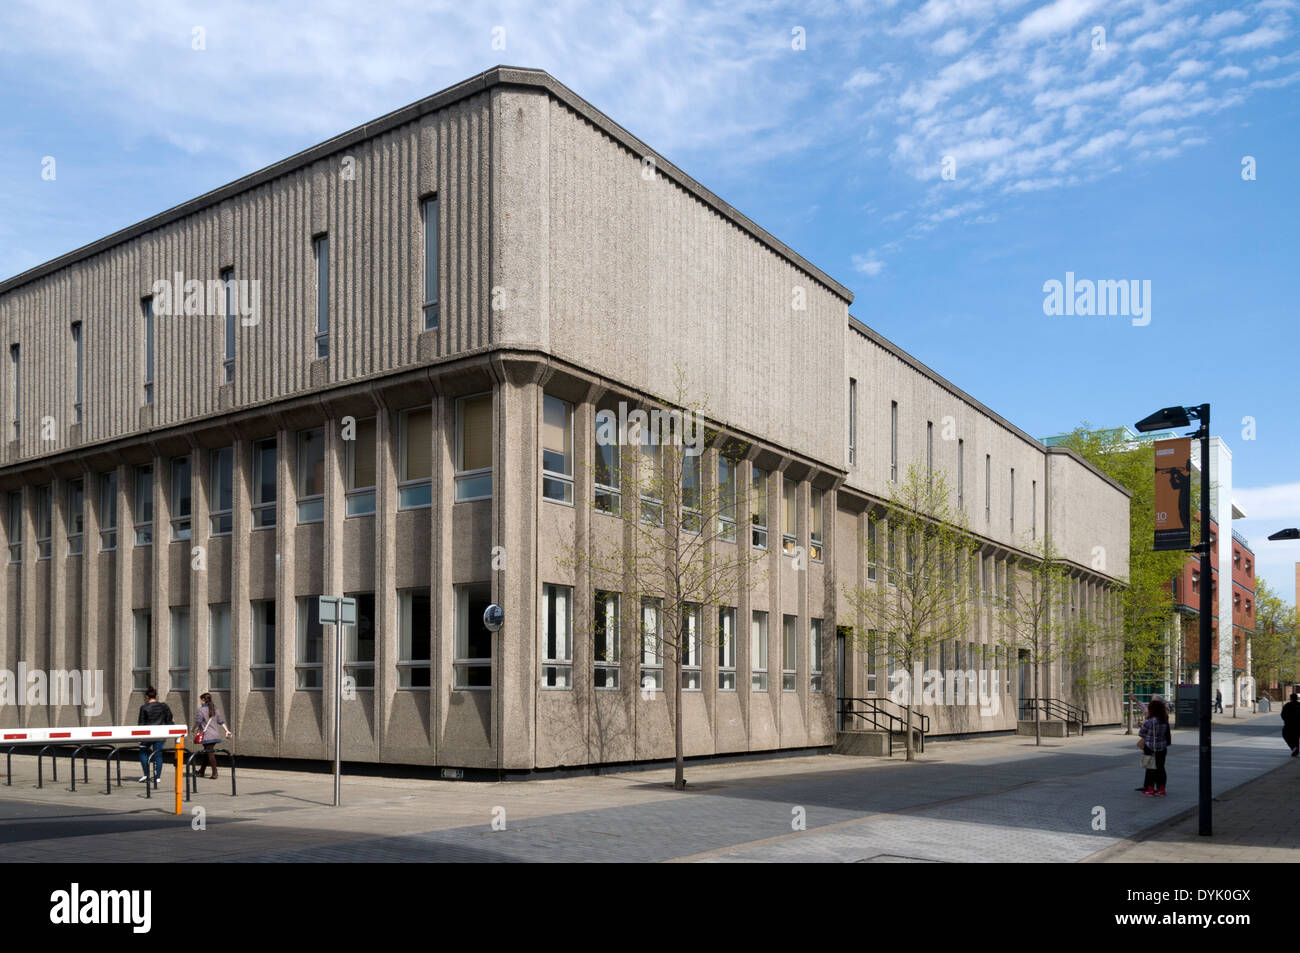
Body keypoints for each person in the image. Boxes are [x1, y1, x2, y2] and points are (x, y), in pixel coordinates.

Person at [136, 687, 174, 784]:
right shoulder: (164, 706)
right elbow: (169, 719)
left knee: (143, 751)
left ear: (147, 696)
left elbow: (141, 723)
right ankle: (157, 777)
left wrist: (139, 737)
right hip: (161, 734)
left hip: (148, 734)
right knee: (158, 754)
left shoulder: (144, 707)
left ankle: (146, 774)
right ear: (156, 695)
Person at [192, 692, 232, 779]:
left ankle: (215, 772)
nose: (200, 702)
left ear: (203, 700)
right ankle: (201, 771)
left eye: (201, 700)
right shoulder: (215, 709)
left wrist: (193, 729)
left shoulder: (201, 710)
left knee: (210, 753)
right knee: (207, 752)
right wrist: (227, 731)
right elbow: (221, 722)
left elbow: (197, 722)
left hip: (207, 736)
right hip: (215, 735)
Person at [1138, 697, 1173, 797]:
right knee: (1161, 768)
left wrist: (1142, 727)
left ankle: (1150, 790)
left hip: (1150, 748)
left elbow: (1141, 733)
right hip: (1162, 748)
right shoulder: (1164, 721)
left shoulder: (1150, 721)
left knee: (1150, 769)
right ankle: (1161, 790)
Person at [1281, 693, 1300, 757]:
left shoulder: (1287, 705)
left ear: (1290, 698)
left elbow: (1283, 715)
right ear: (1297, 698)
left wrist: (1286, 720)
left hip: (1289, 724)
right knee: (1296, 737)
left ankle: (1294, 748)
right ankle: (1295, 750)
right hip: (1298, 725)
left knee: (1285, 735)